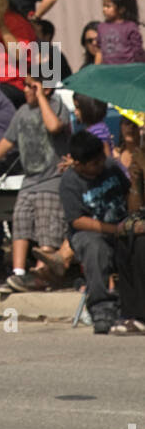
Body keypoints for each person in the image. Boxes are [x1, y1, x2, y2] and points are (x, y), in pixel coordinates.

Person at [0, 75, 70, 292]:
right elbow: (8, 140)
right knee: (21, 222)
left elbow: (54, 126)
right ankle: (18, 273)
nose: (25, 89)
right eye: (26, 85)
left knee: (48, 225)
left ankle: (42, 274)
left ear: (45, 89)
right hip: (30, 180)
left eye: (31, 86)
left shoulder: (57, 107)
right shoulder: (22, 112)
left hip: (51, 179)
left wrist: (41, 97)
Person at [59, 131, 133, 333]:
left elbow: (129, 193)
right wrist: (114, 229)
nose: (100, 166)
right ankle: (102, 307)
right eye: (94, 164)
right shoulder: (70, 182)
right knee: (95, 247)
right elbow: (78, 221)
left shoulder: (110, 167)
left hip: (122, 225)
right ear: (77, 164)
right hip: (89, 232)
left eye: (101, 160)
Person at [96, 0, 145, 65]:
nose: (104, 9)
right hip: (108, 71)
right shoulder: (101, 27)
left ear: (121, 9)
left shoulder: (130, 27)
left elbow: (137, 50)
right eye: (103, 6)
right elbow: (99, 51)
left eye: (108, 6)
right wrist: (96, 68)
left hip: (127, 70)